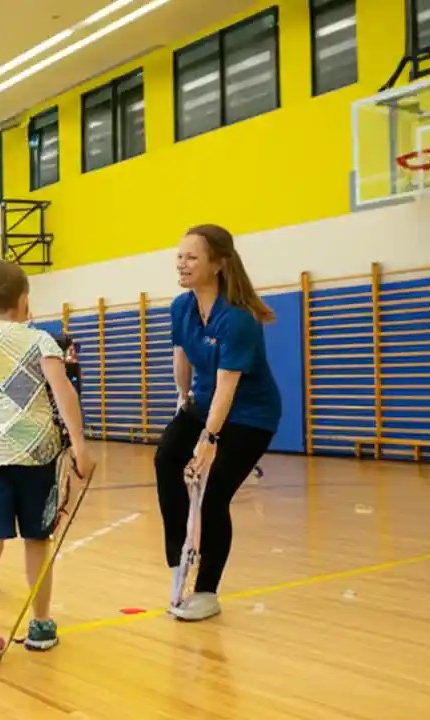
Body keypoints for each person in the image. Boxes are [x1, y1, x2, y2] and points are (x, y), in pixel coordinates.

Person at [0, 259, 94, 673]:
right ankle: (41, 625)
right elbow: (64, 394)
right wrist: (81, 446)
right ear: (25, 301)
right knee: (37, 540)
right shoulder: (41, 341)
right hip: (37, 458)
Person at [156, 224, 281, 621]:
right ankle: (180, 553)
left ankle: (207, 591)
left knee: (212, 497)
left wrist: (208, 439)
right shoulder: (182, 306)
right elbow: (182, 357)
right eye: (179, 256)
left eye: (191, 257)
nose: (182, 263)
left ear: (218, 265)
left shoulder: (238, 319)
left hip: (250, 415)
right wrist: (182, 400)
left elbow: (229, 387)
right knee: (165, 458)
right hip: (205, 400)